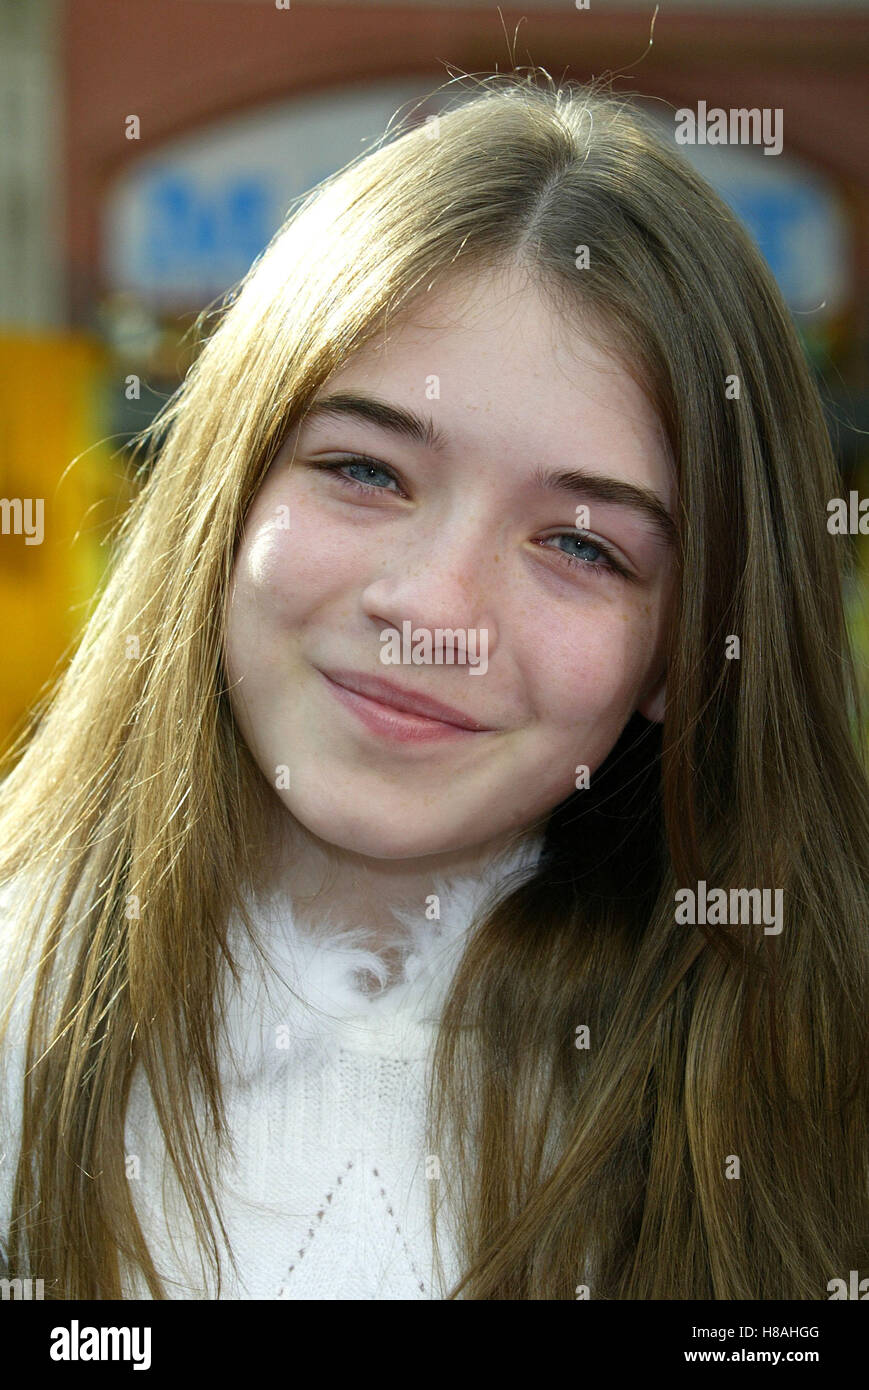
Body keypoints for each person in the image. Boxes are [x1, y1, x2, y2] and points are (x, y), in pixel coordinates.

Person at [0, 73, 866, 1301]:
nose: (434, 614)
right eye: (365, 469)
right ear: (224, 494)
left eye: (580, 545)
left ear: (694, 646)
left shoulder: (818, 1111)